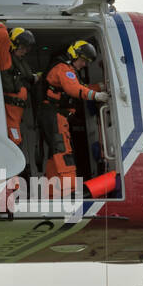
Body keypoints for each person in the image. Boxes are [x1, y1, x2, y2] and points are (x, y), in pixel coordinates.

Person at [39, 41, 108, 184]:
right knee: (63, 152)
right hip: (55, 116)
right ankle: (69, 192)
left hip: (53, 115)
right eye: (83, 60)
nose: (84, 65)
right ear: (74, 56)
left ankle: (54, 192)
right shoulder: (64, 69)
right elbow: (73, 89)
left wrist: (101, 87)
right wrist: (96, 96)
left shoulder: (66, 70)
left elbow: (80, 87)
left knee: (55, 154)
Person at [0, 22, 36, 149]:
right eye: (22, 47)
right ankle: (5, 169)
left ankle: (7, 169)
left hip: (16, 110)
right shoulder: (6, 59)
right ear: (14, 45)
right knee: (14, 142)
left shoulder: (19, 62)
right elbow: (3, 38)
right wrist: (0, 24)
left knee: (14, 141)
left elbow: (26, 77)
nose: (24, 51)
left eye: (27, 48)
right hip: (10, 108)